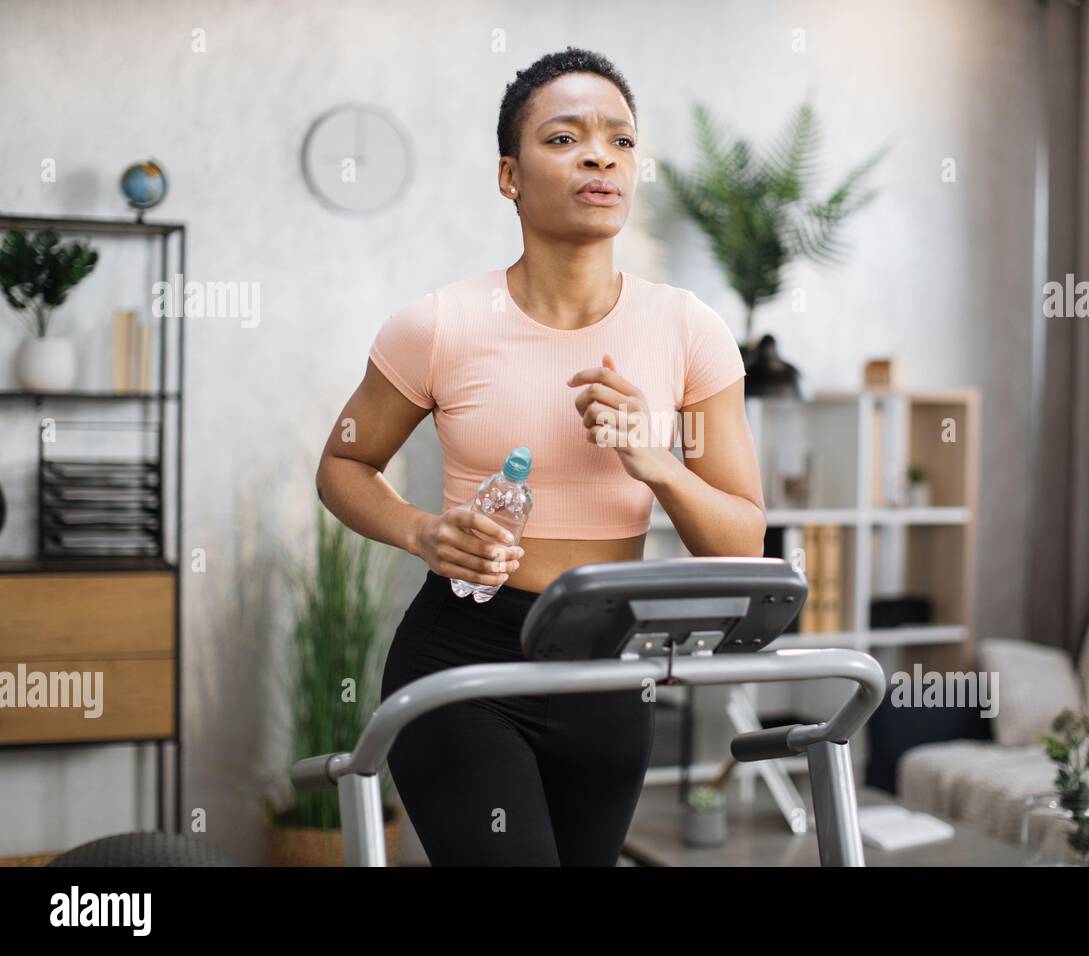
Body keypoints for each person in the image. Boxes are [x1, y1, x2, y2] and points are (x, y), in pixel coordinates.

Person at [315, 46, 765, 866]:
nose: (601, 155)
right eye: (565, 138)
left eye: (621, 141)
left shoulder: (688, 329)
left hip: (607, 668)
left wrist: (658, 462)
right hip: (463, 654)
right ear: (508, 176)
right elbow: (341, 467)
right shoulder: (440, 323)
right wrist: (421, 532)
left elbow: (740, 544)